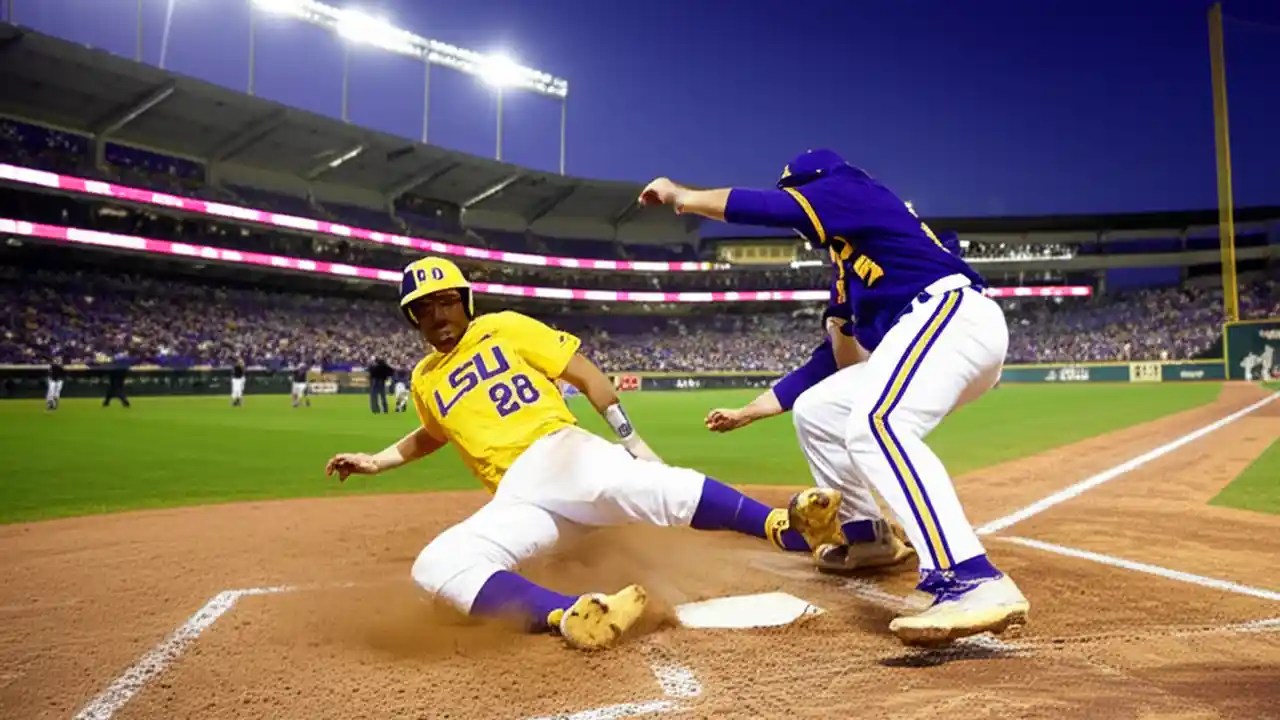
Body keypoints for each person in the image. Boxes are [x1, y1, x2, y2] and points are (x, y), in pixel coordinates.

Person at [324, 257, 840, 650]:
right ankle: (573, 616)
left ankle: (784, 526)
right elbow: (433, 432)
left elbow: (585, 374)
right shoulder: (422, 379)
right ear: (412, 319)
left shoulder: (502, 326)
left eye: (445, 301)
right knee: (436, 565)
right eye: (423, 309)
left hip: (557, 452)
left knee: (639, 486)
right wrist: (377, 459)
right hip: (520, 500)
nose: (436, 315)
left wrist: (632, 442)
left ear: (465, 301)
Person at [640, 149, 1028, 647]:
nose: (799, 210)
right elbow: (839, 366)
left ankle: (971, 576)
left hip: (949, 316)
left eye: (798, 195)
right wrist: (752, 409)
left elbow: (771, 209)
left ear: (813, 185)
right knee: (820, 410)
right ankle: (868, 538)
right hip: (930, 330)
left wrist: (682, 196)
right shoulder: (851, 260)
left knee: (878, 426)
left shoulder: (850, 188)